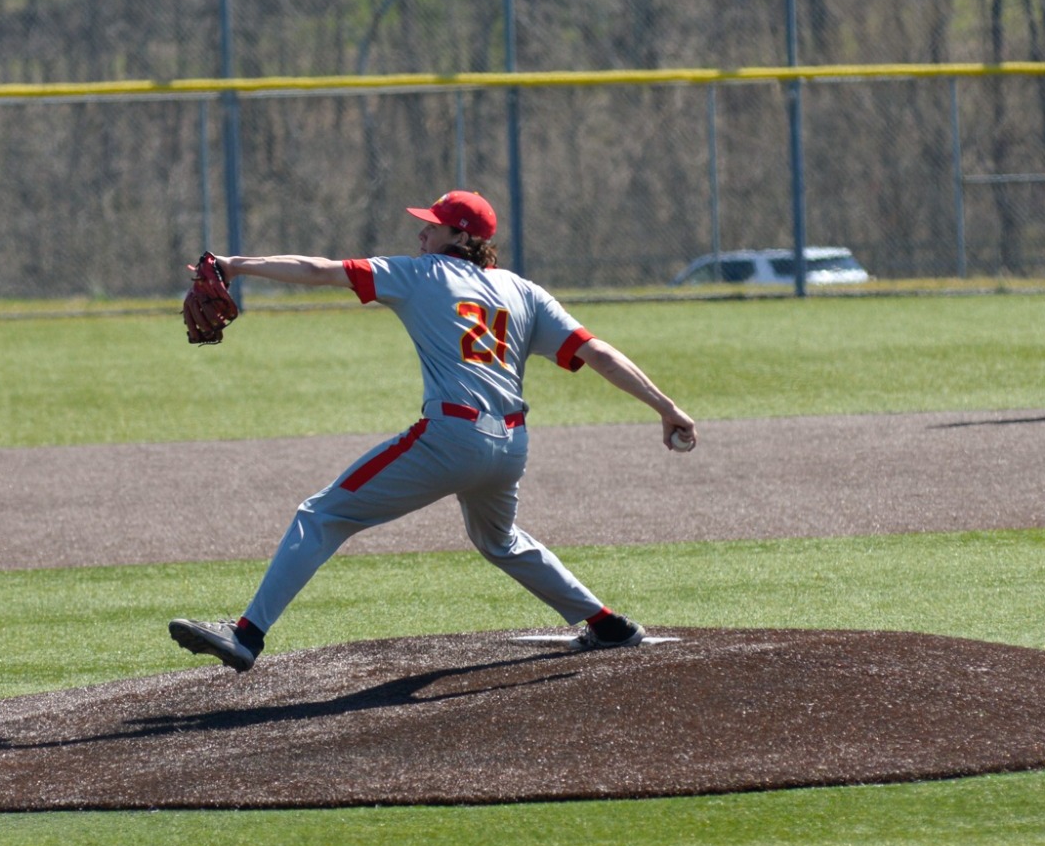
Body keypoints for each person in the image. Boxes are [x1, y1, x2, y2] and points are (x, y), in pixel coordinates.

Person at [168, 189, 698, 672]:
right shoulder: (524, 292)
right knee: (499, 541)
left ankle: (246, 635)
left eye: (433, 225)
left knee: (323, 514)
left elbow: (320, 269)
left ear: (461, 237)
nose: (422, 232)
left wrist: (235, 265)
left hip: (452, 438)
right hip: (510, 446)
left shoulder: (421, 274)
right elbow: (598, 353)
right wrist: (666, 407)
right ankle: (607, 624)